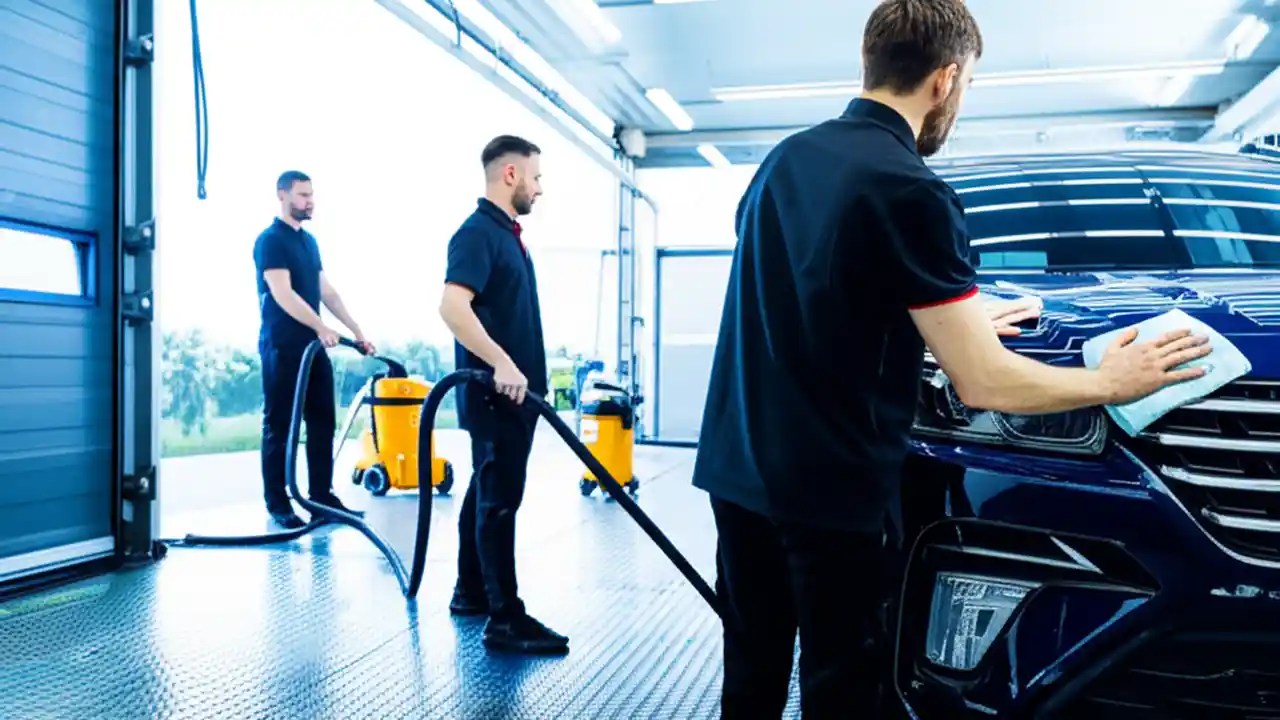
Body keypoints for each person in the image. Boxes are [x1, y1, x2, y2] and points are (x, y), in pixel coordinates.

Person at [691, 0, 1214, 717]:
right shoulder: (910, 187)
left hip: (739, 474)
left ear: (869, 64)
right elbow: (984, 381)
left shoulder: (785, 161)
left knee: (749, 676)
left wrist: (951, 318)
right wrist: (1108, 379)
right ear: (947, 79)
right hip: (829, 492)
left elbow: (812, 298)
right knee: (841, 683)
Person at [439, 135, 568, 655]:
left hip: (516, 395)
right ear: (510, 175)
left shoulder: (504, 234)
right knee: (499, 502)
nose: (540, 189)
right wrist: (503, 364)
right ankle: (505, 617)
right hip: (499, 395)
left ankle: (470, 591)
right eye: (535, 178)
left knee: (486, 490)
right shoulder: (476, 234)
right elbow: (452, 307)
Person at [254, 170, 373, 529]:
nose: (310, 201)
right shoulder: (270, 241)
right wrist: (320, 326)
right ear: (282, 195)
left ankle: (322, 498)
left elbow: (326, 291)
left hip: (314, 346)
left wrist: (355, 330)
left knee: (322, 422)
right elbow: (282, 292)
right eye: (303, 195)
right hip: (283, 346)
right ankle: (278, 502)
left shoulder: (309, 243)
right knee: (279, 424)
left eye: (311, 195)